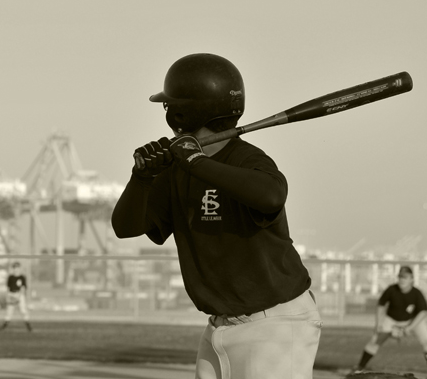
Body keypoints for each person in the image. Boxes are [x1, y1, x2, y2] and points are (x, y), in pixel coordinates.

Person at [111, 53, 321, 379]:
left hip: (276, 323)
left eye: (170, 105)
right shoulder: (175, 169)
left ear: (183, 111)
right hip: (218, 326)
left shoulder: (247, 159)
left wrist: (197, 162)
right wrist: (141, 179)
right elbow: (124, 228)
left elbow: (272, 194)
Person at [353, 265, 427, 375]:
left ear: (411, 279)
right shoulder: (392, 289)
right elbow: (381, 305)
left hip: (411, 321)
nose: (402, 280)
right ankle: (359, 367)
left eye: (405, 277)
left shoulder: (416, 293)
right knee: (375, 340)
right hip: (392, 320)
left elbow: (423, 311)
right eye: (400, 277)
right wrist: (378, 324)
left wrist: (410, 328)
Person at [0, 261, 32, 332]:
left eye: (17, 268)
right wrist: (8, 296)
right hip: (11, 295)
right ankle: (3, 327)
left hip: (19, 295)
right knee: (9, 312)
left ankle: (29, 327)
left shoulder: (22, 277)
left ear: (20, 268)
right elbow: (8, 288)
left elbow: (23, 288)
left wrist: (19, 295)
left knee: (23, 311)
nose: (16, 269)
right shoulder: (11, 277)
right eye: (15, 268)